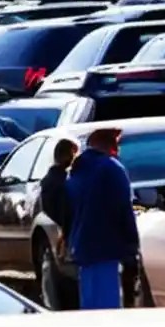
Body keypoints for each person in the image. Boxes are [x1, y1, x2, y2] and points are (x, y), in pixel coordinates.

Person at [66, 128, 139, 310]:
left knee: (89, 305)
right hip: (106, 248)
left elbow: (67, 209)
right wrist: (132, 245)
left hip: (83, 247)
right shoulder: (112, 169)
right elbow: (123, 209)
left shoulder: (76, 171)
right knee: (108, 306)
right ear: (112, 145)